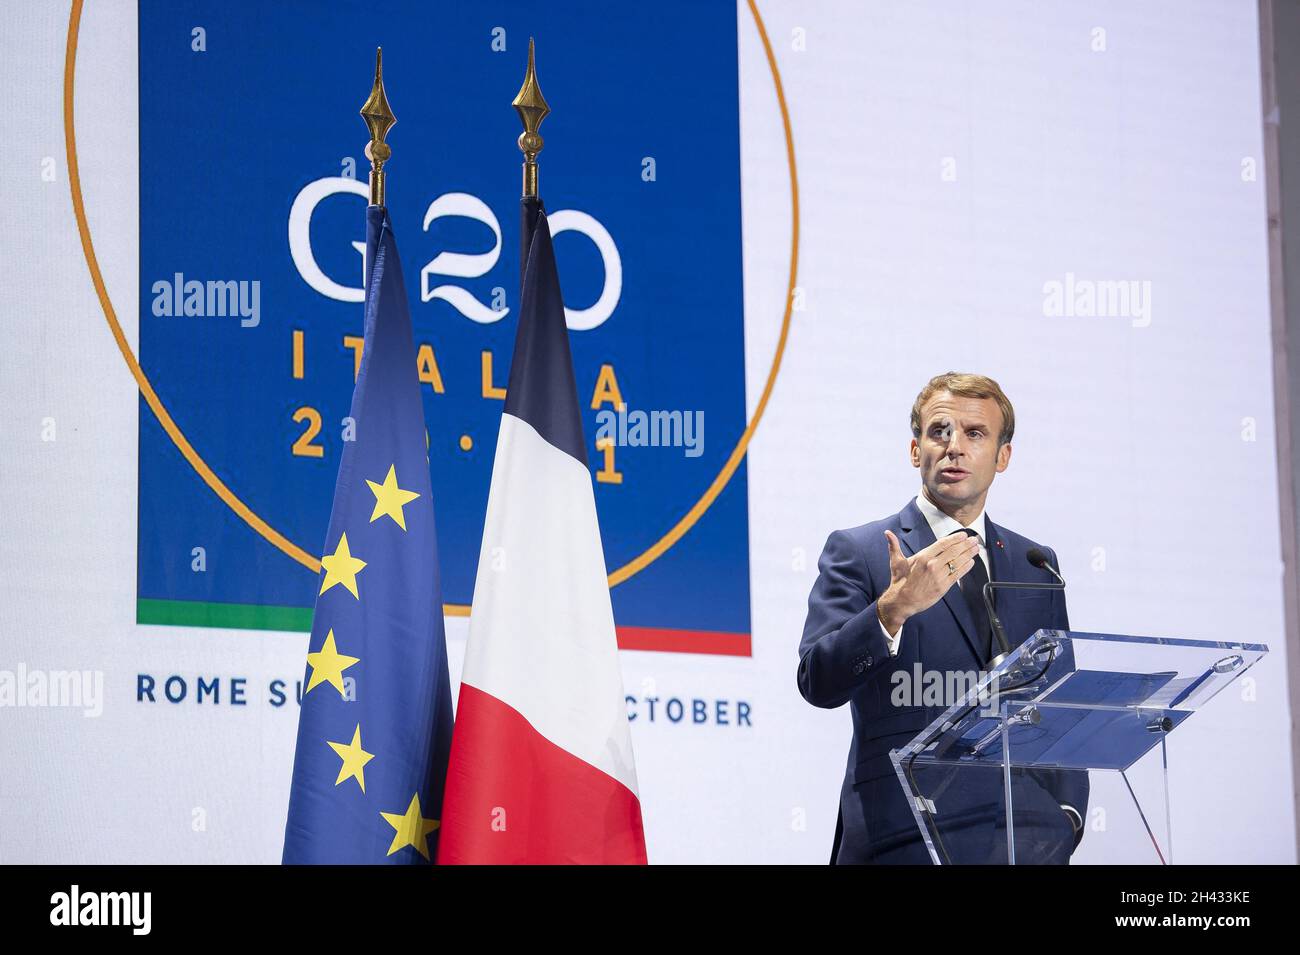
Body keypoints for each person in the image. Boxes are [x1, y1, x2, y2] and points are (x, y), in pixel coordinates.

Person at [798, 372, 1089, 864]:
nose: (954, 447)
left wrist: (1067, 813)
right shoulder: (862, 551)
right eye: (939, 432)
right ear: (916, 451)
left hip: (1019, 840)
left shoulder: (1035, 565)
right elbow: (817, 681)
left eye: (975, 434)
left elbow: (1057, 708)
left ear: (1003, 457)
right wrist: (892, 610)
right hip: (902, 835)